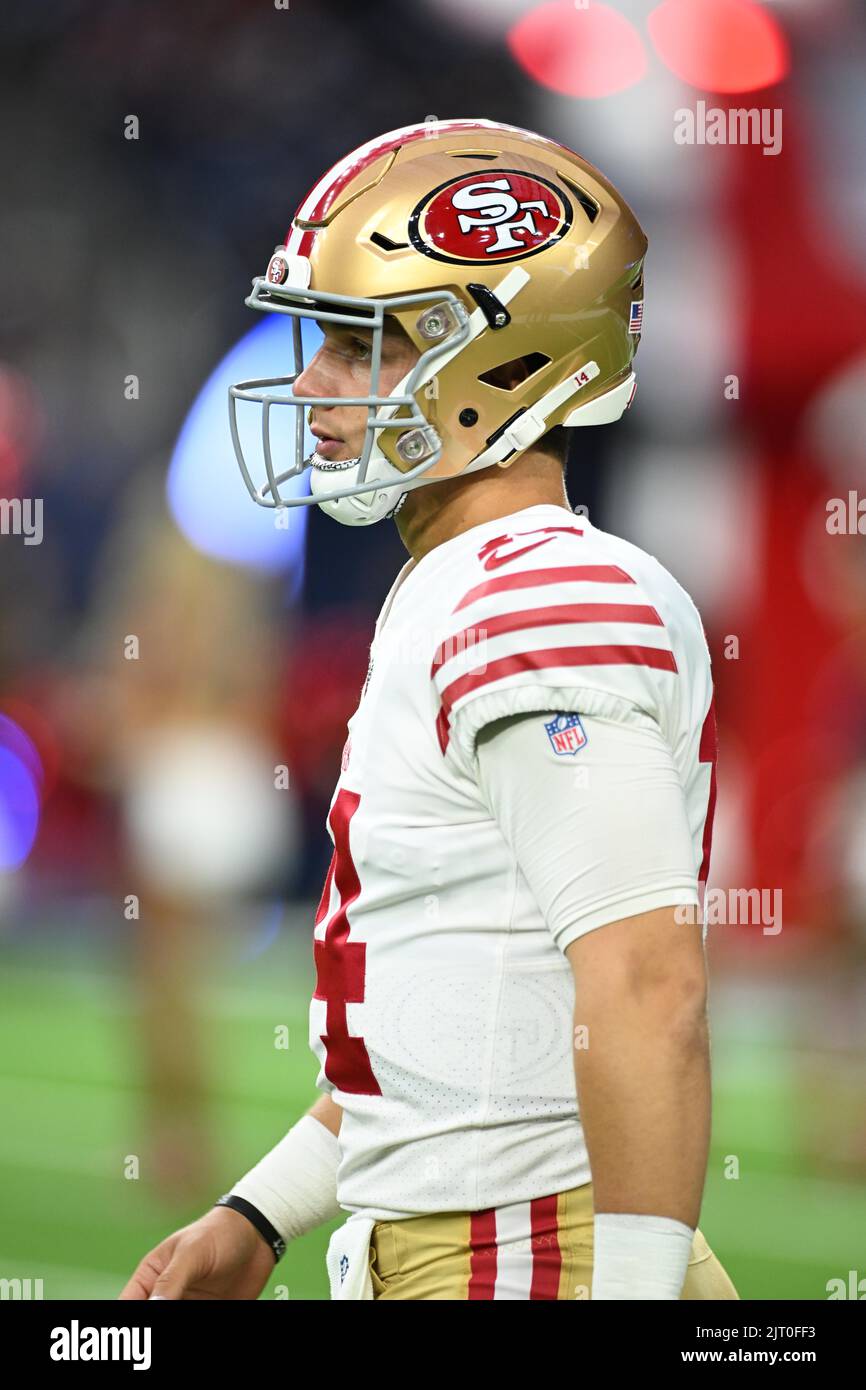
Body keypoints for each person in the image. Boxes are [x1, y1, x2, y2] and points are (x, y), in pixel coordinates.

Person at [120, 118, 739, 1301]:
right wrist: (260, 1211)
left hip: (524, 1254)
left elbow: (647, 987)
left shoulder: (541, 599)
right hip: (486, 1242)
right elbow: (449, 1038)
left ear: (502, 362)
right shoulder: (463, 585)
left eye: (364, 344)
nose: (312, 384)